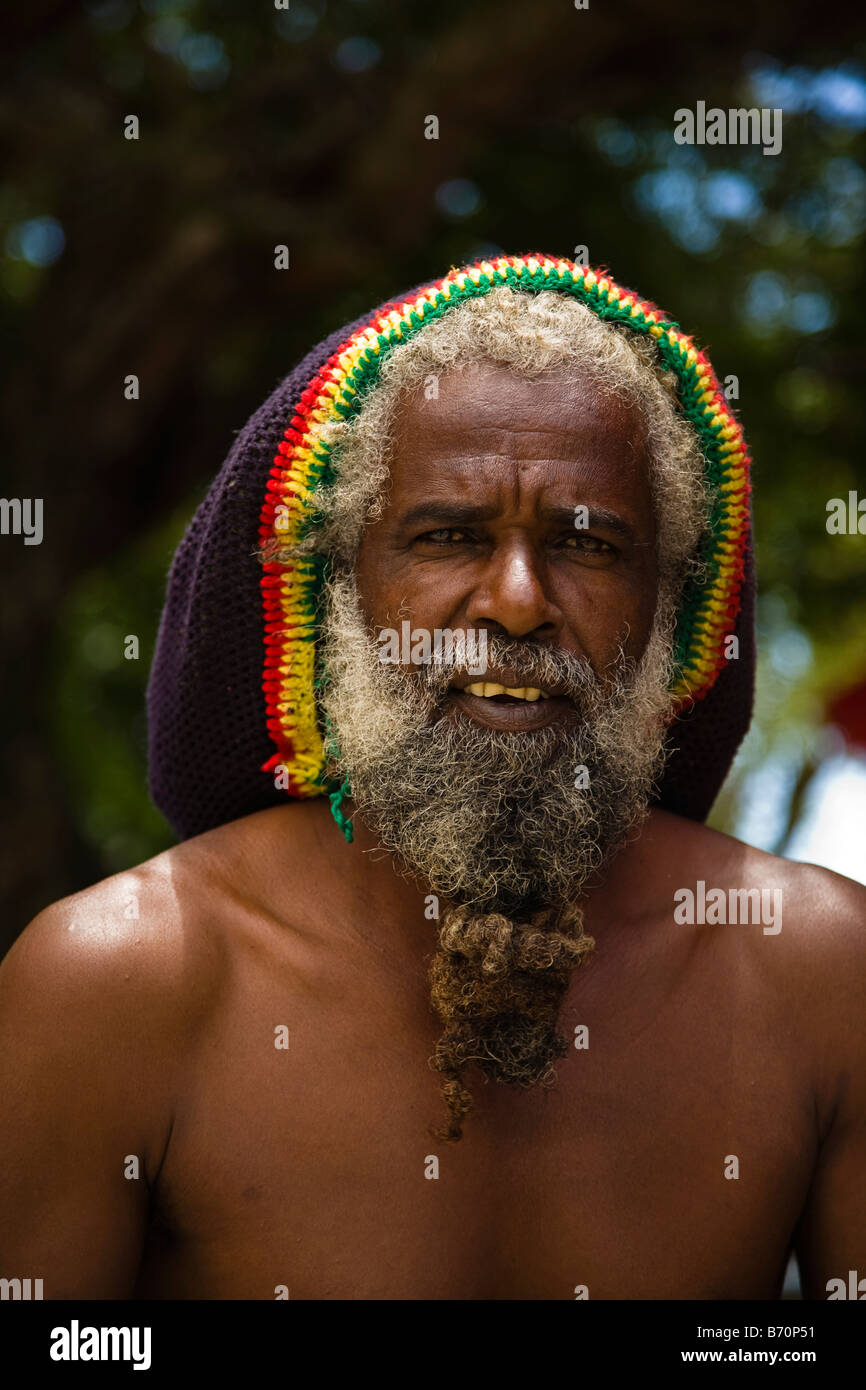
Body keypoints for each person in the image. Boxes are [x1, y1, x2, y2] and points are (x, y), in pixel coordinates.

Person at [2, 254, 864, 1301]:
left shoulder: (818, 975)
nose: (514, 602)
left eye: (585, 544)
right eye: (446, 535)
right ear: (339, 589)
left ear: (666, 611)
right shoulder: (122, 982)